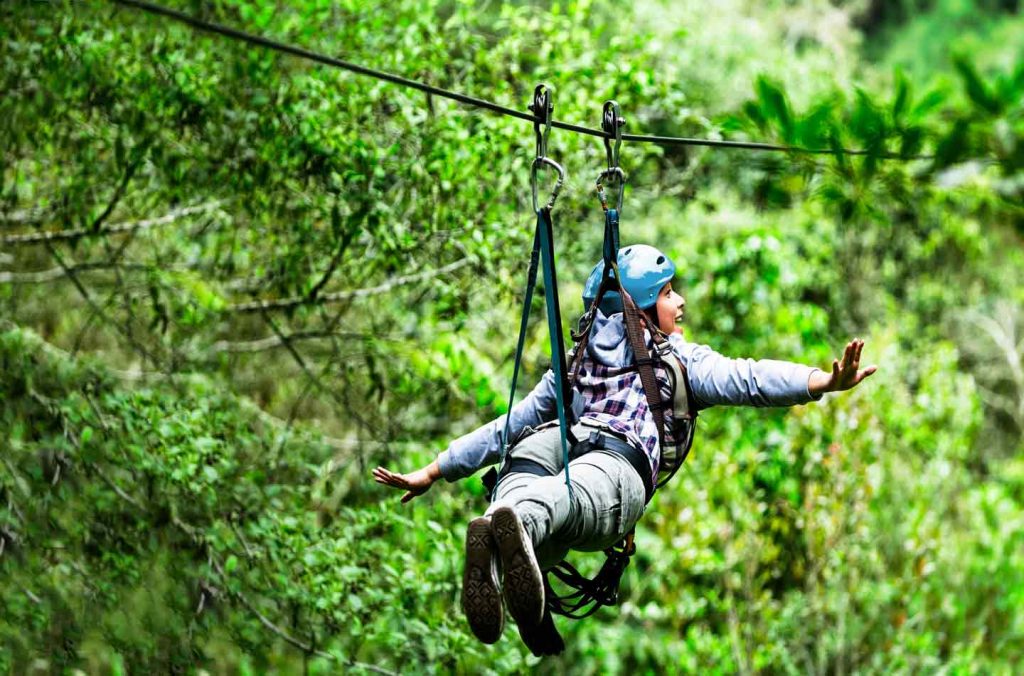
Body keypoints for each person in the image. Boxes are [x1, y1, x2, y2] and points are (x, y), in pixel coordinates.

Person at [372, 244, 877, 653]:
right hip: (619, 465)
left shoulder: (573, 363)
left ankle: (509, 521)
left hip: (568, 442)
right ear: (638, 306)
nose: (679, 303)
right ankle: (518, 525)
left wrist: (438, 468)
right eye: (668, 293)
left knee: (525, 459)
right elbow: (747, 378)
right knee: (573, 492)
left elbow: (510, 424)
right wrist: (819, 382)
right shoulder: (676, 360)